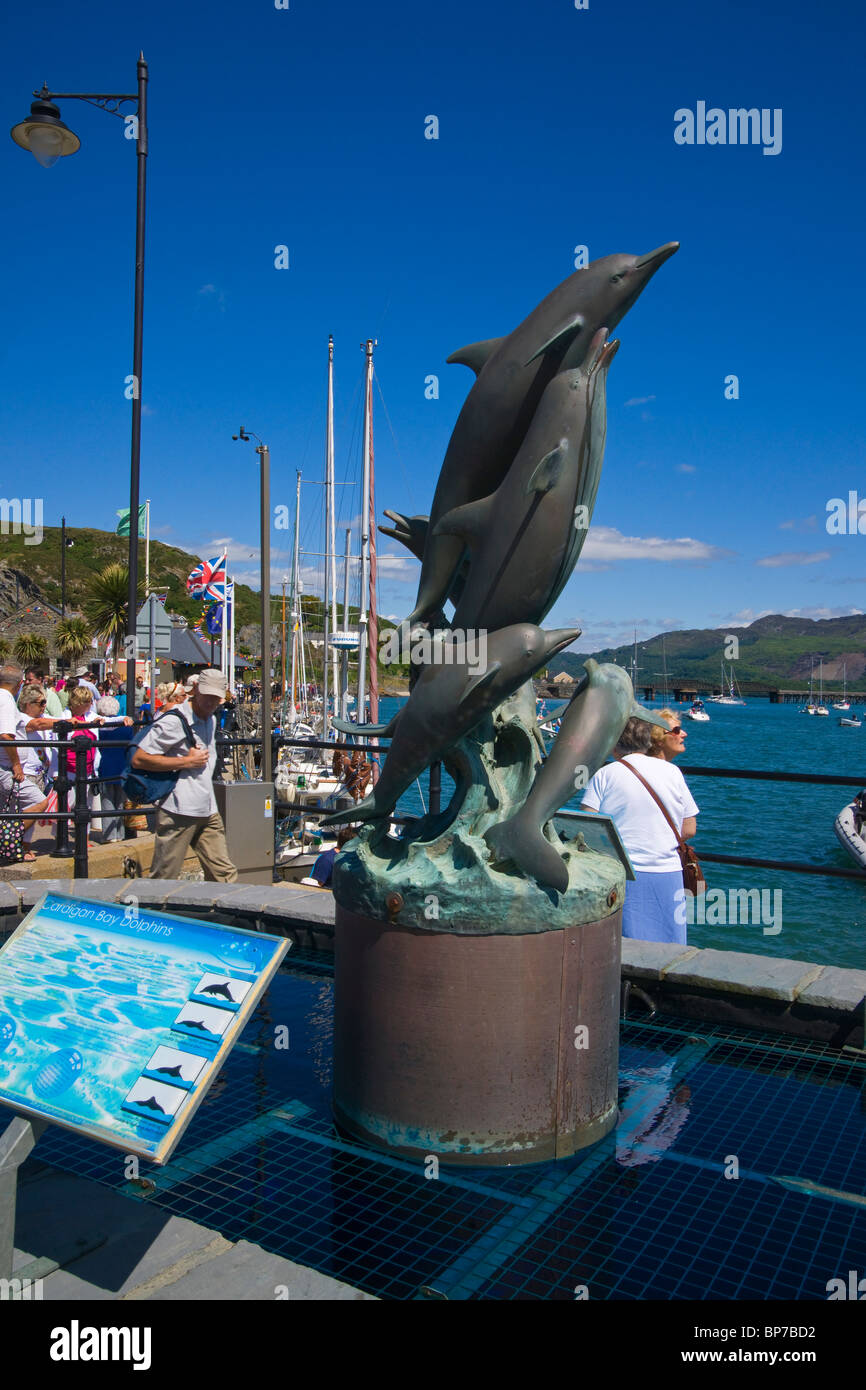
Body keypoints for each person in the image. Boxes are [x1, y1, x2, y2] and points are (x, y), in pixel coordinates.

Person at [581, 716, 699, 945]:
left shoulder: (604, 774)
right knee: (670, 943)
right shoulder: (673, 772)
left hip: (622, 872)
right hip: (668, 871)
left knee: (626, 945)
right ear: (647, 742)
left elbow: (589, 826)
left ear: (614, 743)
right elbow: (689, 828)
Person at [131, 668, 238, 881]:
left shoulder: (212, 719)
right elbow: (139, 758)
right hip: (178, 810)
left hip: (207, 808)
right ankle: (154, 913)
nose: (211, 702)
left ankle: (226, 913)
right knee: (165, 874)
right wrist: (186, 762)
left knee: (224, 873)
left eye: (216, 698)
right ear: (195, 690)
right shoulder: (173, 721)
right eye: (207, 695)